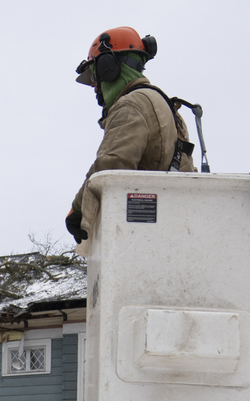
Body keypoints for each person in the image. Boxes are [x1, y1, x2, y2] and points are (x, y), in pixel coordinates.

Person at [66, 27, 197, 244]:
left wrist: (78, 209)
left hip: (148, 234)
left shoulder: (131, 105)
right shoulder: (166, 106)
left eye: (95, 77)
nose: (95, 87)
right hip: (176, 227)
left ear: (108, 68)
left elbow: (111, 166)